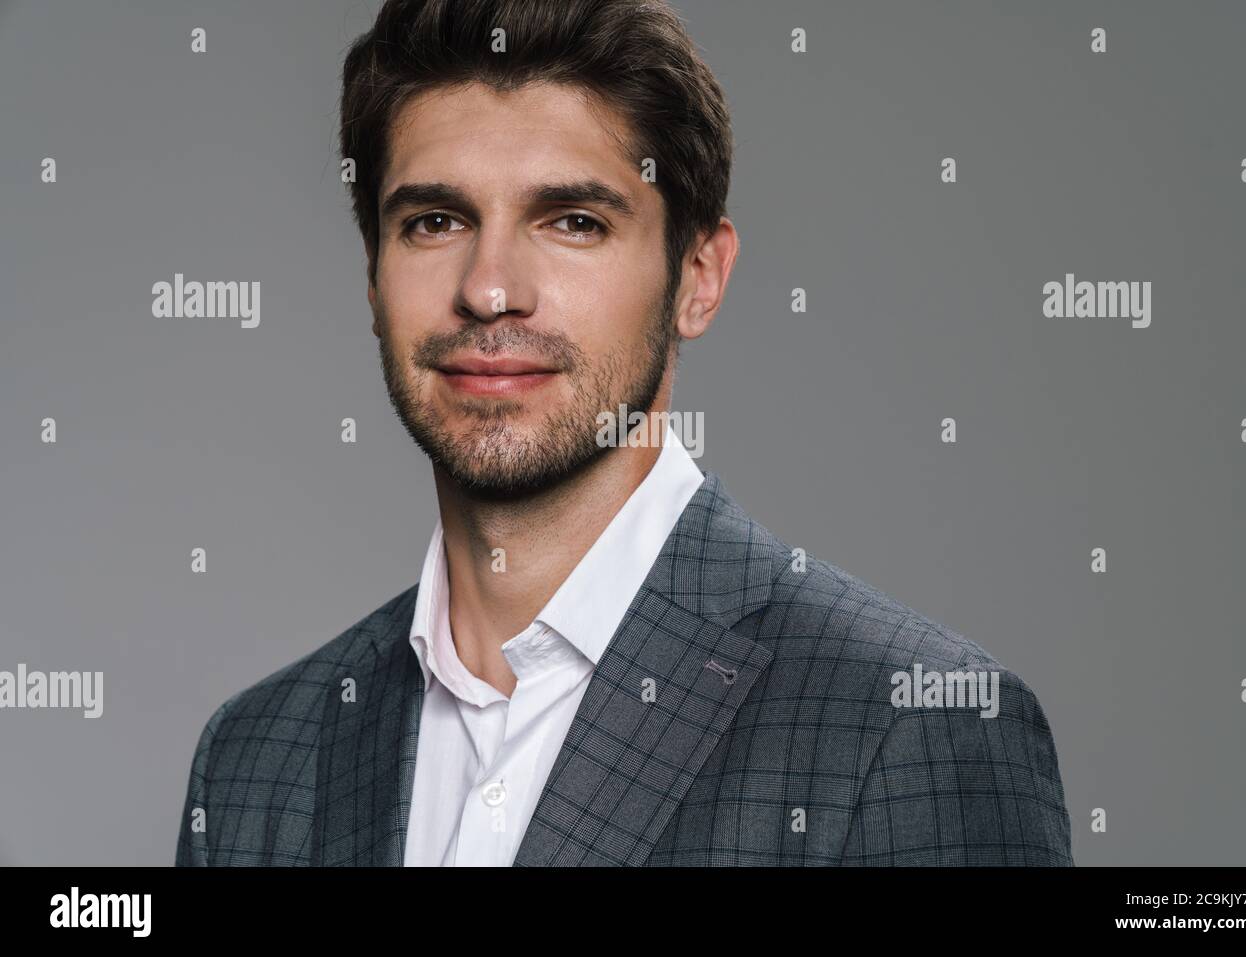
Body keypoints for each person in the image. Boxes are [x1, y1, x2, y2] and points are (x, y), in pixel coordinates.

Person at [176, 0, 1072, 866]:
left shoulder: (917, 726)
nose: (490, 289)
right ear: (374, 278)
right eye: (435, 221)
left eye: (573, 222)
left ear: (698, 277)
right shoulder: (257, 758)